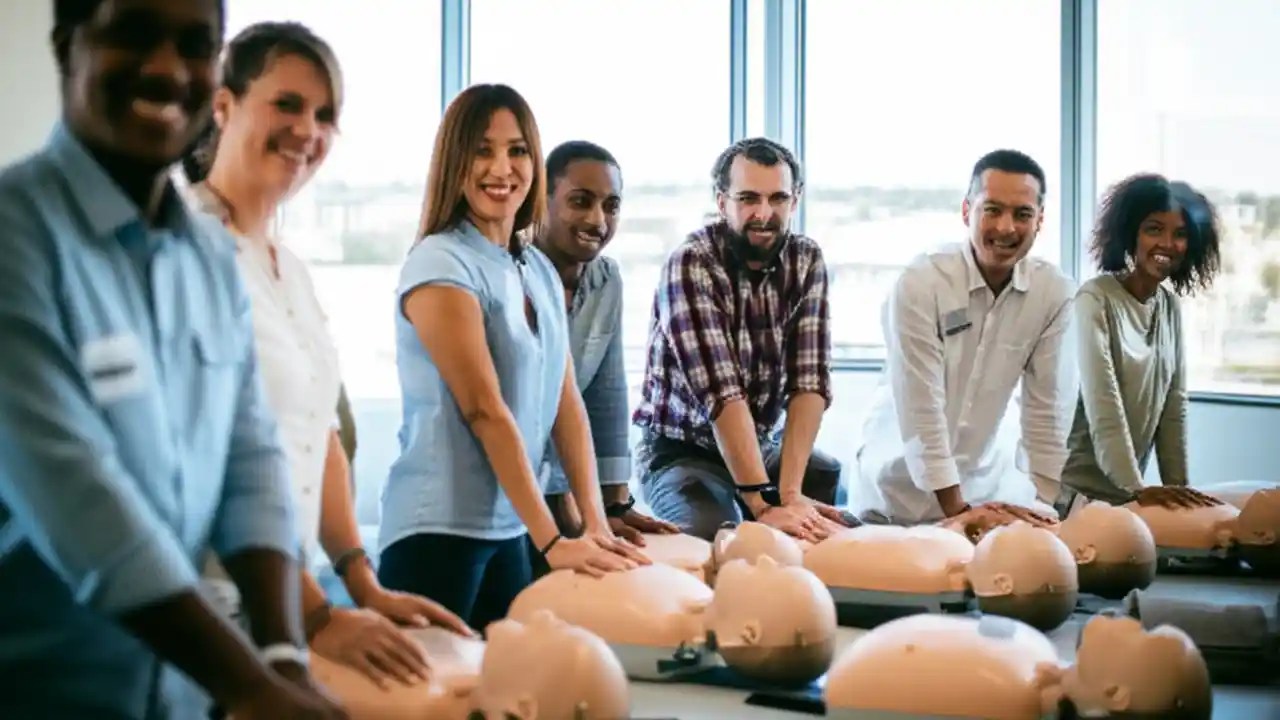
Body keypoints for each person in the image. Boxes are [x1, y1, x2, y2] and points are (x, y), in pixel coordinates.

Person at [0, 1, 345, 717]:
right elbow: (81, 499)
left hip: (189, 691)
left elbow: (252, 463)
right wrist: (249, 684)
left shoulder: (212, 259)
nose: (165, 69)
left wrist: (282, 658)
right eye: (132, 34)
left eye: (194, 45)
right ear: (69, 45)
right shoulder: (17, 236)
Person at [182, 20, 472, 690]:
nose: (308, 130)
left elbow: (324, 436)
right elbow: (215, 456)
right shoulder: (184, 252)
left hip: (290, 588)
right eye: (287, 103)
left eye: (326, 115)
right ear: (223, 105)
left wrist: (361, 582)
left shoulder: (292, 271)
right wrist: (317, 620)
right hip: (206, 602)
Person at [376, 84, 647, 632]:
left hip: (510, 530)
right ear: (455, 161)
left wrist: (596, 522)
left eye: (518, 150)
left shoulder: (535, 268)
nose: (502, 167)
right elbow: (484, 409)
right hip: (438, 531)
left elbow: (566, 401)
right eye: (482, 150)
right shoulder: (440, 262)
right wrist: (552, 538)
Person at [632, 137, 851, 543]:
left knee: (829, 498)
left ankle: (809, 602)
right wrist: (763, 507)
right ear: (722, 201)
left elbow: (809, 382)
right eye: (748, 198)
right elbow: (722, 395)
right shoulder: (692, 262)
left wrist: (790, 496)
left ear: (795, 199)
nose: (764, 214)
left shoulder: (806, 260)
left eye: (778, 199)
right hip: (682, 450)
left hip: (761, 442)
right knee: (718, 533)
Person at [851, 149, 1076, 526]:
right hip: (893, 491)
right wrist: (958, 512)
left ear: (1040, 221)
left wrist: (1041, 505)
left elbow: (1049, 411)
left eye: (1022, 214)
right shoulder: (922, 282)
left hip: (983, 490)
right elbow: (921, 405)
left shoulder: (1054, 294)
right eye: (992, 209)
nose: (1006, 228)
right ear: (966, 211)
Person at [531, 140, 678, 550]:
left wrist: (614, 504)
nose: (598, 220)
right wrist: (569, 506)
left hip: (569, 489)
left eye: (611, 206)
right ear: (541, 200)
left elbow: (606, 394)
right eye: (580, 201)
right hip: (511, 487)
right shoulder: (514, 275)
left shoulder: (606, 279)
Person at [1059, 174, 1225, 514]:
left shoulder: (1169, 307)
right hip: (1073, 498)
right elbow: (1102, 401)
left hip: (1126, 500)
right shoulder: (1095, 298)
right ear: (1130, 233)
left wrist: (1179, 493)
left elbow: (1173, 409)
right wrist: (1135, 487)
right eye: (1154, 229)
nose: (1167, 243)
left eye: (1179, 234)